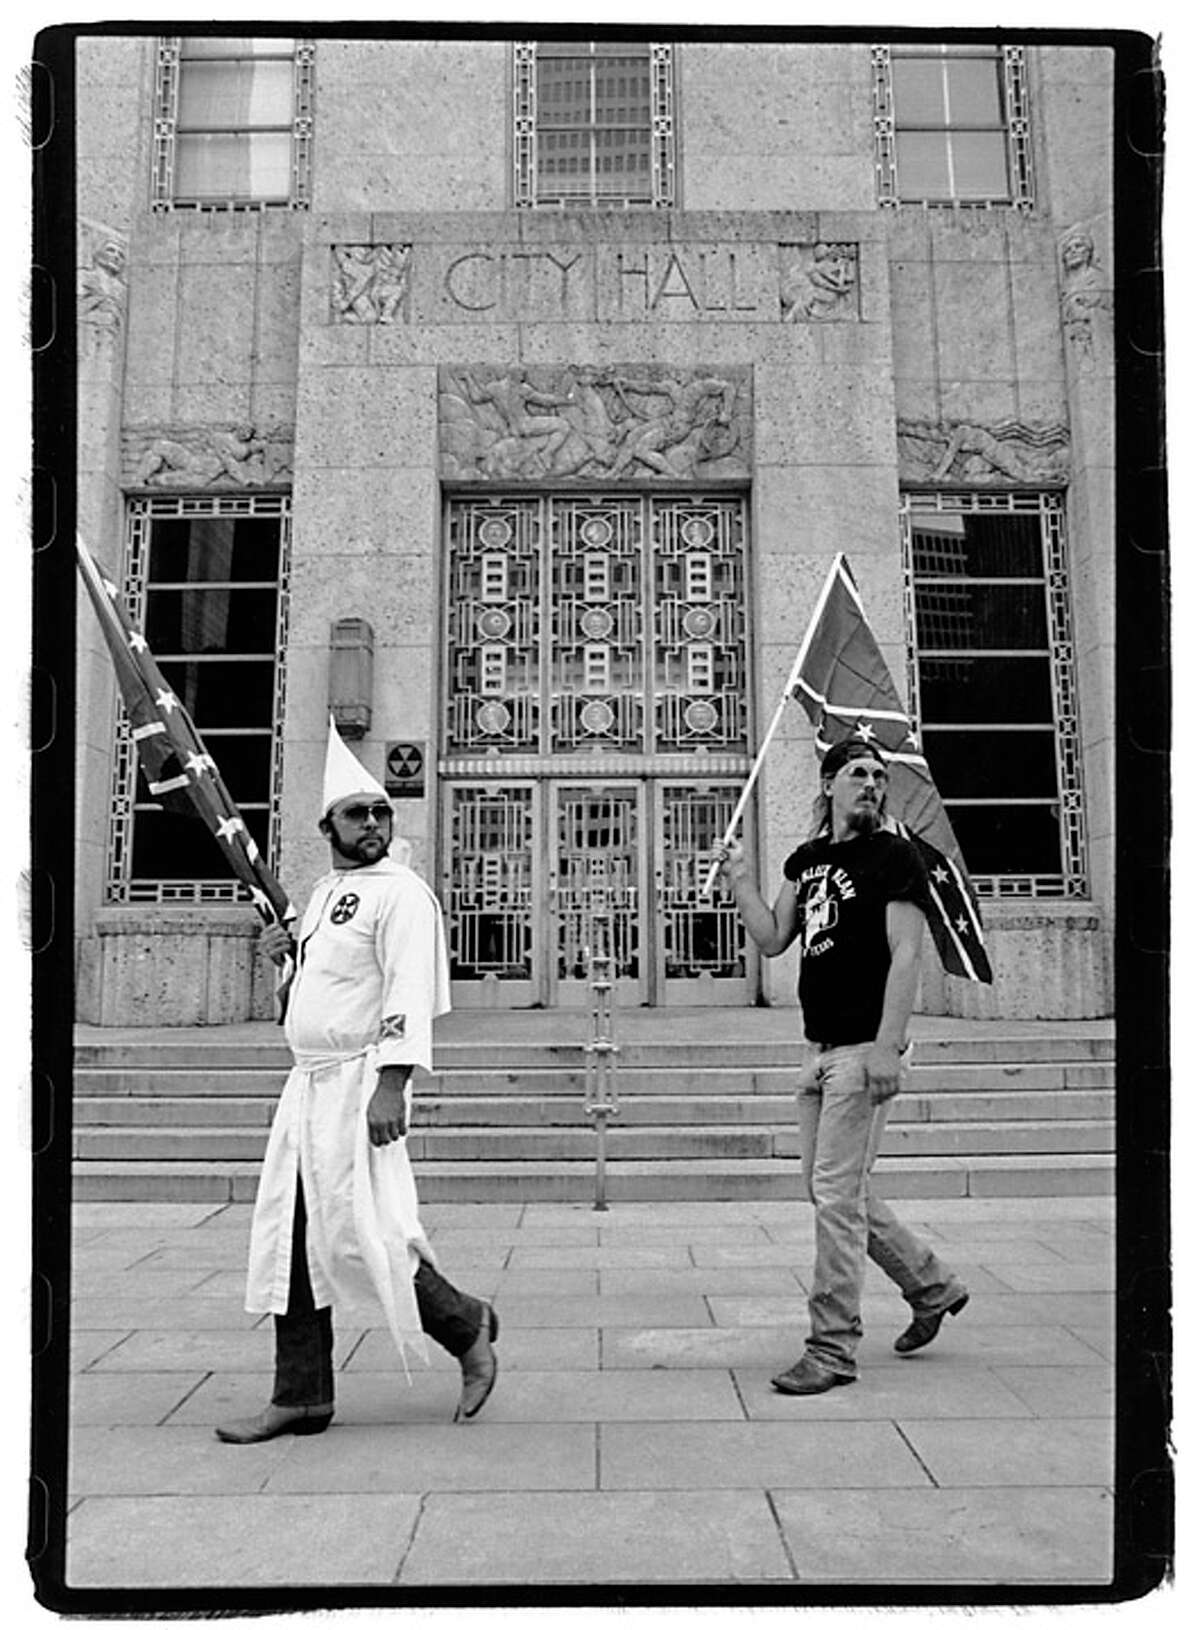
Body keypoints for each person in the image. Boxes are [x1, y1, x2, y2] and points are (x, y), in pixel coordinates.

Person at [216, 719, 498, 1443]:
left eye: (381, 812)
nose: (371, 824)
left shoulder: (401, 894)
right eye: (356, 814)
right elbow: (307, 1000)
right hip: (306, 1089)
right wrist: (285, 958)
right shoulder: (320, 895)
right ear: (327, 826)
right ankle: (301, 1395)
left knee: (361, 1235)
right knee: (295, 1235)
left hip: (357, 1084)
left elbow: (405, 991)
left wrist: (391, 1084)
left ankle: (465, 1327)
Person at [712, 738, 969, 1394]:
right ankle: (931, 1285)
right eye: (858, 773)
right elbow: (773, 938)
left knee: (834, 1196)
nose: (872, 785)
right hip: (818, 1052)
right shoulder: (809, 861)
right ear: (828, 784)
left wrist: (888, 1046)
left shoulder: (894, 857)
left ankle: (832, 1347)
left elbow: (906, 953)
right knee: (837, 1190)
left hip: (862, 1051)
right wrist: (740, 877)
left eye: (879, 776)